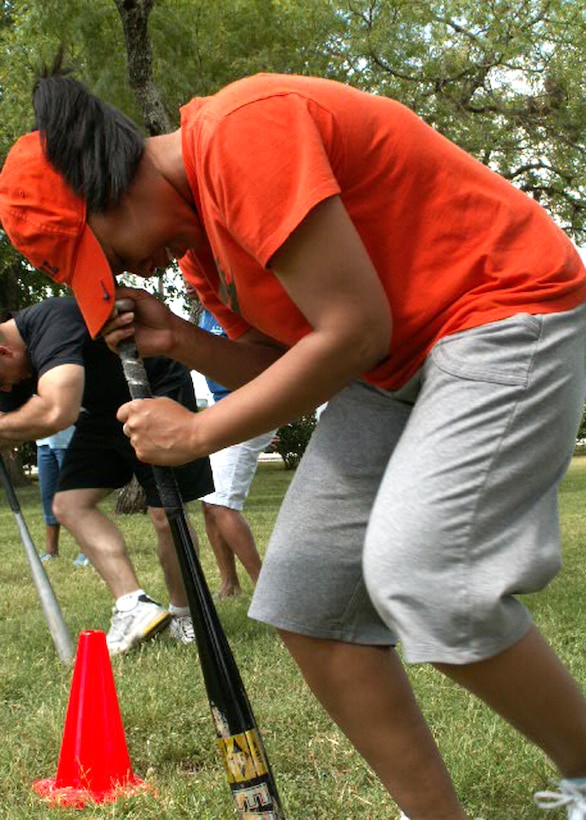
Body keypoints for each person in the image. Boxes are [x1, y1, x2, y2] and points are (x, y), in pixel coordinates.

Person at [1, 66, 586, 818]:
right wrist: (182, 337)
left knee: (428, 574)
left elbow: (354, 330)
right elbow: (290, 364)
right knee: (307, 600)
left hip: (501, 310)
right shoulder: (202, 254)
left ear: (108, 182)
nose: (120, 273)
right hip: (389, 370)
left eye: (102, 253)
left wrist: (198, 432)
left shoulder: (246, 131)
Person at [0, 296, 214, 655]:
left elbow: (56, 411)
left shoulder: (52, 320)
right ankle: (134, 606)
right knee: (69, 504)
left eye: (1, 382)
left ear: (4, 352)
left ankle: (184, 614)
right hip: (101, 413)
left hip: (153, 389)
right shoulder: (8, 371)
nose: (6, 391)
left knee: (165, 514)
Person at [194, 298, 276, 598]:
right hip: (224, 407)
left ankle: (267, 592)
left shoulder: (237, 302)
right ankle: (230, 585)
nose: (187, 281)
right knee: (209, 503)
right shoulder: (205, 311)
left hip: (250, 406)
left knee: (221, 504)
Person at [35, 425, 85, 563]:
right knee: (48, 498)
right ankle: (51, 551)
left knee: (74, 498)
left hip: (69, 442)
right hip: (43, 443)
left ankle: (87, 551)